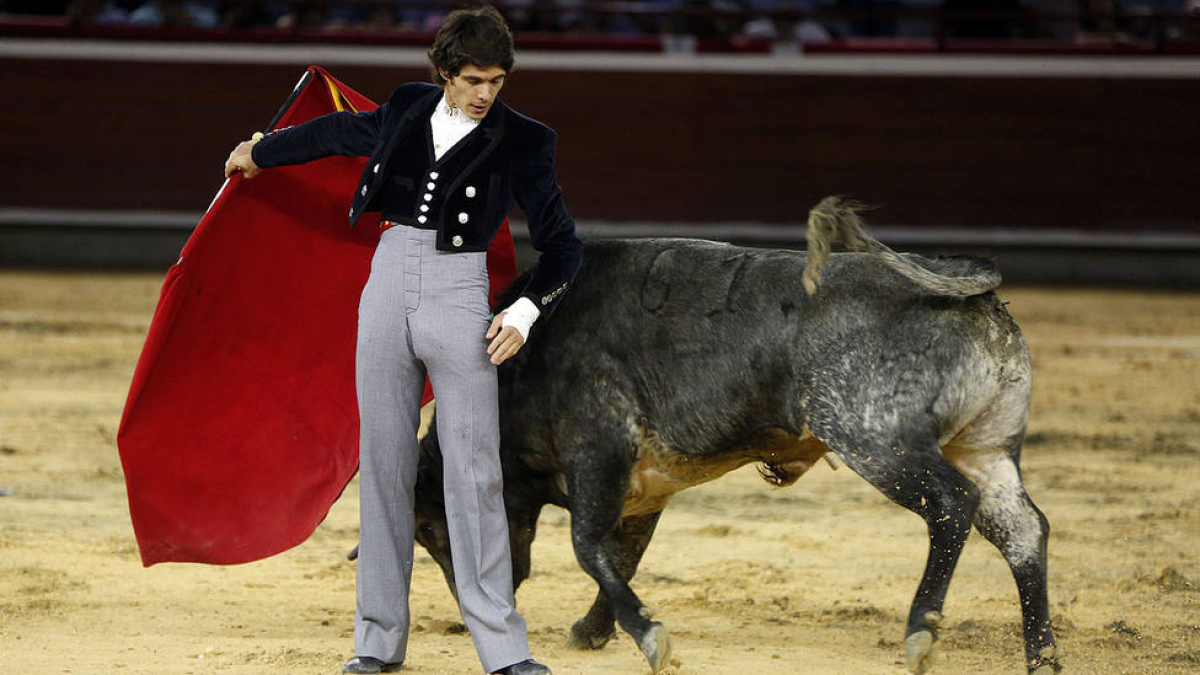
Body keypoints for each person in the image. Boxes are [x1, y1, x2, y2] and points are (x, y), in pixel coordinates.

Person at [223, 6, 583, 674]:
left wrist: (528, 309)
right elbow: (337, 131)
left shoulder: (524, 138)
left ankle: (504, 650)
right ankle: (376, 641)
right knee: (385, 465)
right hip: (386, 281)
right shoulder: (409, 107)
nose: (485, 93)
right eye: (473, 79)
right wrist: (261, 151)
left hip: (459, 292)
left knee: (474, 472)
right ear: (443, 72)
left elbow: (563, 246)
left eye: (497, 81)